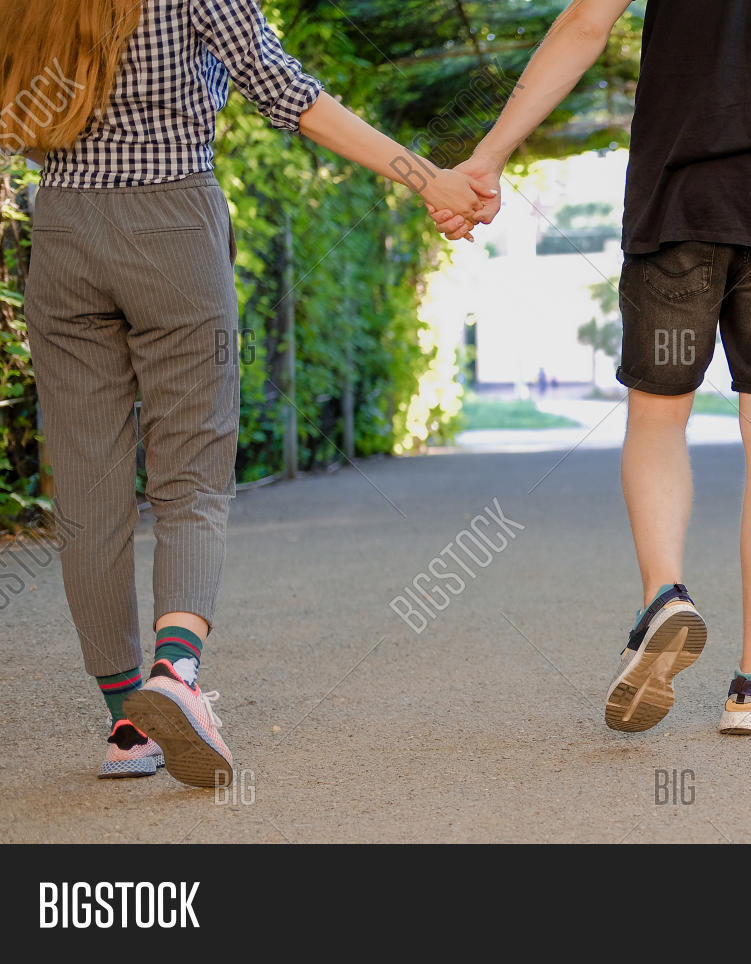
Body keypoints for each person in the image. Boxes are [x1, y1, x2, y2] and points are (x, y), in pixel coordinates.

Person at [432, 0, 751, 734]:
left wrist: (487, 158)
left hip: (676, 215)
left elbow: (586, 23)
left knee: (658, 417)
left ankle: (665, 599)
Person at [0, 0, 492, 785]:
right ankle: (176, 676)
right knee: (192, 471)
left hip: (62, 230)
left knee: (89, 496)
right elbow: (287, 91)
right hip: (173, 223)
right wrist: (430, 176)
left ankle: (128, 724)